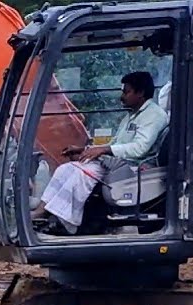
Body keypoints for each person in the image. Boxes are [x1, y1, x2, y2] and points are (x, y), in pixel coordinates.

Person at [32, 71, 169, 234]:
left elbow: (139, 149)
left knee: (81, 174)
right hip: (116, 163)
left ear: (140, 93)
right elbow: (116, 144)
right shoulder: (131, 115)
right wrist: (85, 150)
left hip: (132, 168)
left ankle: (66, 223)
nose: (122, 97)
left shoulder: (154, 115)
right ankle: (43, 211)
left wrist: (103, 150)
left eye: (126, 92)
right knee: (66, 168)